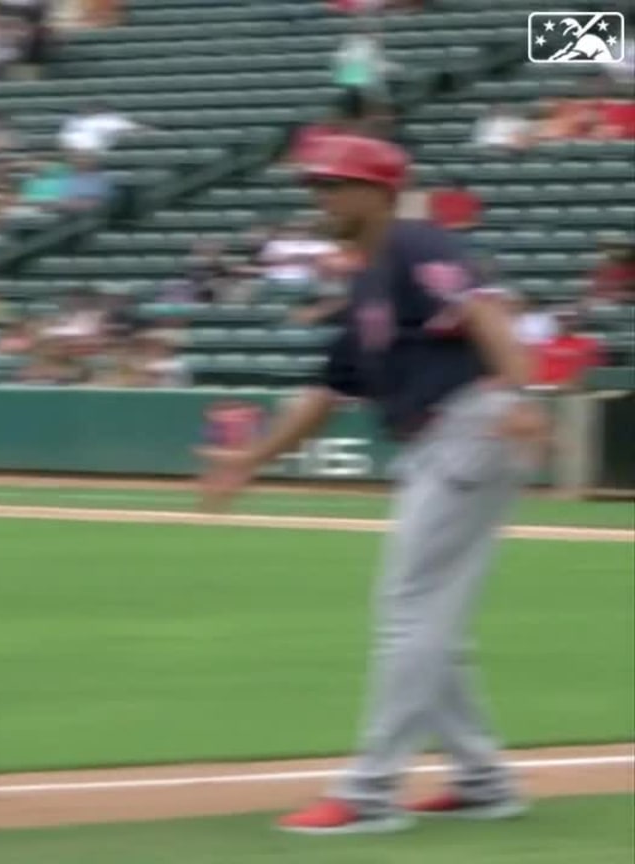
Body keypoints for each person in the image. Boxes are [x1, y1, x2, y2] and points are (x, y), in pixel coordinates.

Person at [198, 134, 550, 835]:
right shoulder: (366, 281)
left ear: (376, 190)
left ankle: (371, 791)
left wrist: (518, 392)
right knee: (430, 621)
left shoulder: (418, 242)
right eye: (315, 186)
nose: (319, 198)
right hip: (445, 437)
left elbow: (483, 309)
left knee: (410, 612)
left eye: (332, 185)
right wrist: (251, 459)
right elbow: (327, 393)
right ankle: (481, 779)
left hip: (470, 425)